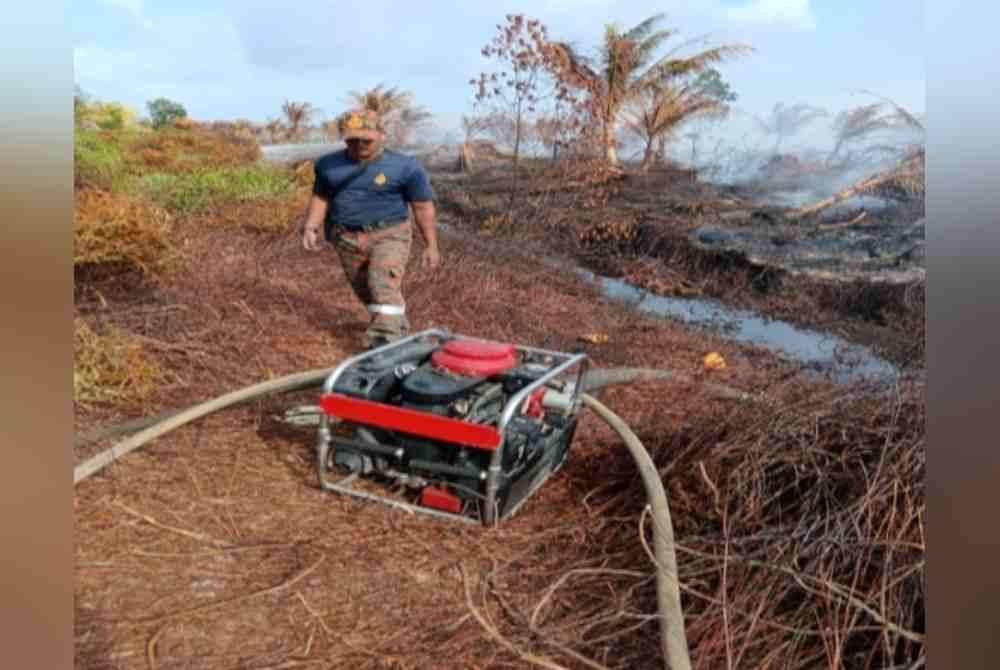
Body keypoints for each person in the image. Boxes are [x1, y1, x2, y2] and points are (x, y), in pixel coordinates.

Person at [301, 108, 441, 349]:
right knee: (368, 293)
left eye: (366, 139)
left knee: (382, 284)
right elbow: (321, 197)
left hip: (390, 235)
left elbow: (422, 207)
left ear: (382, 135)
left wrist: (431, 245)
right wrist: (311, 226)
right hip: (345, 238)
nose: (359, 145)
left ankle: (383, 345)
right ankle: (399, 333)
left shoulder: (406, 167)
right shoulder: (327, 165)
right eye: (352, 140)